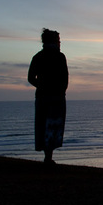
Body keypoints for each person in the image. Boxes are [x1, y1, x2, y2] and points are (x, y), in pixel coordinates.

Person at [28, 29, 68, 166]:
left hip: (43, 96)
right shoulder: (59, 57)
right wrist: (58, 90)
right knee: (52, 125)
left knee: (44, 124)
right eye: (58, 40)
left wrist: (41, 86)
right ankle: (48, 157)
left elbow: (31, 78)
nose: (60, 42)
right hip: (55, 97)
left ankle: (48, 156)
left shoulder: (38, 56)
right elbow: (65, 79)